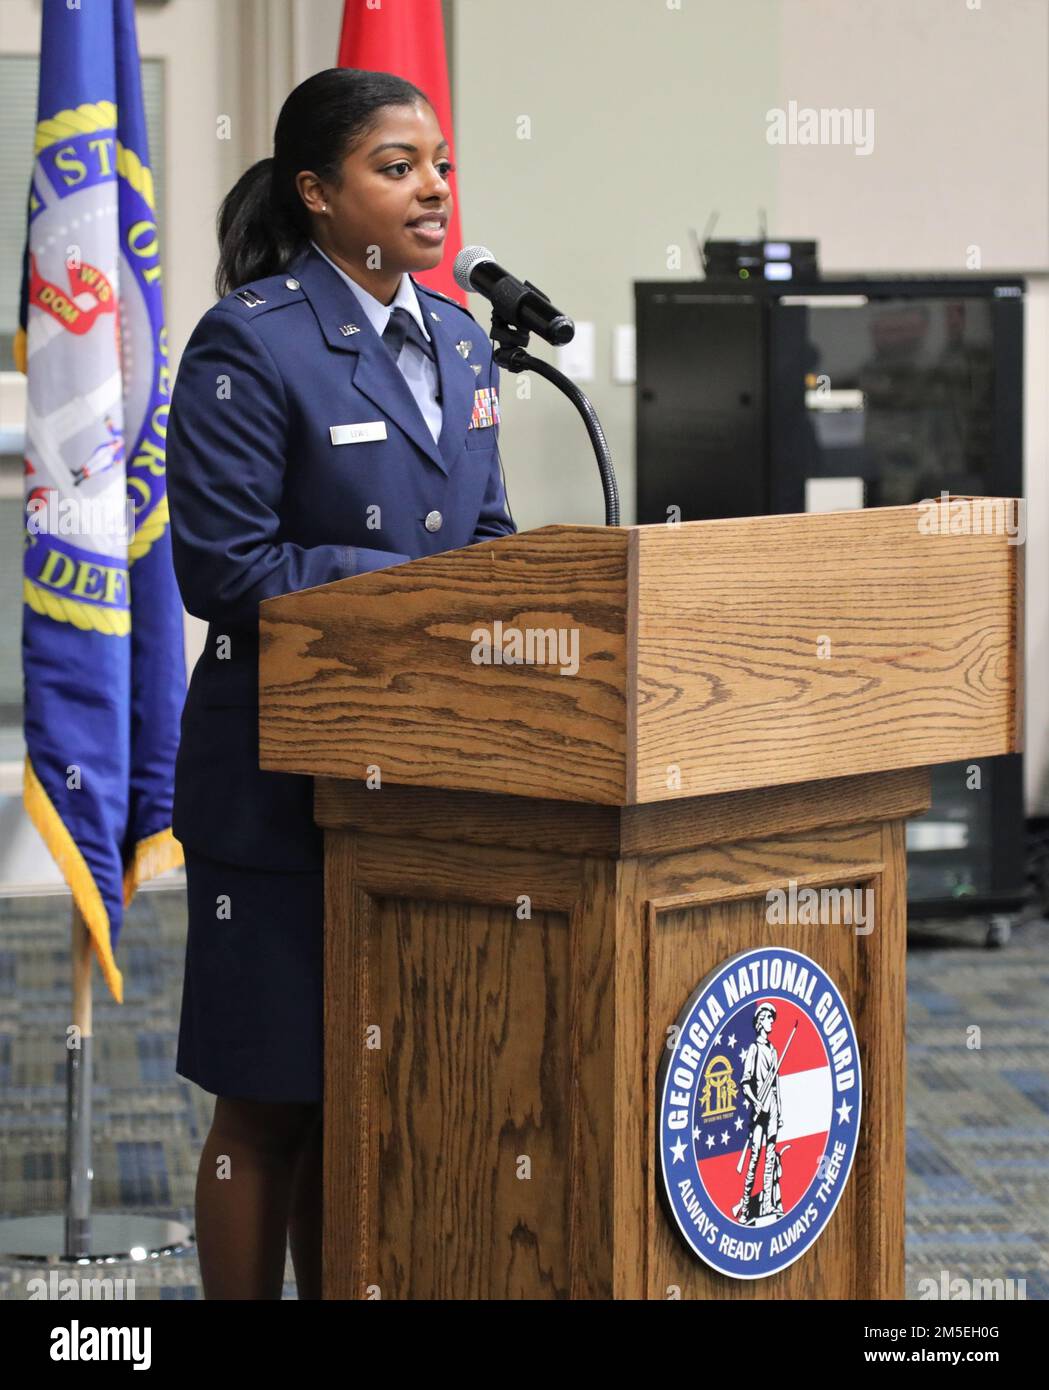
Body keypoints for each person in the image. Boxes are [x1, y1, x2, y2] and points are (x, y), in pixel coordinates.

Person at [165, 67, 516, 1300]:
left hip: (418, 784)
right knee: (267, 1103)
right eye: (394, 165)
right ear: (317, 194)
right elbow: (226, 566)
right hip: (278, 787)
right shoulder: (249, 341)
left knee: (359, 1098)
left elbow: (486, 536)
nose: (430, 189)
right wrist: (410, 585)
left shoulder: (465, 339)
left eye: (438, 165)